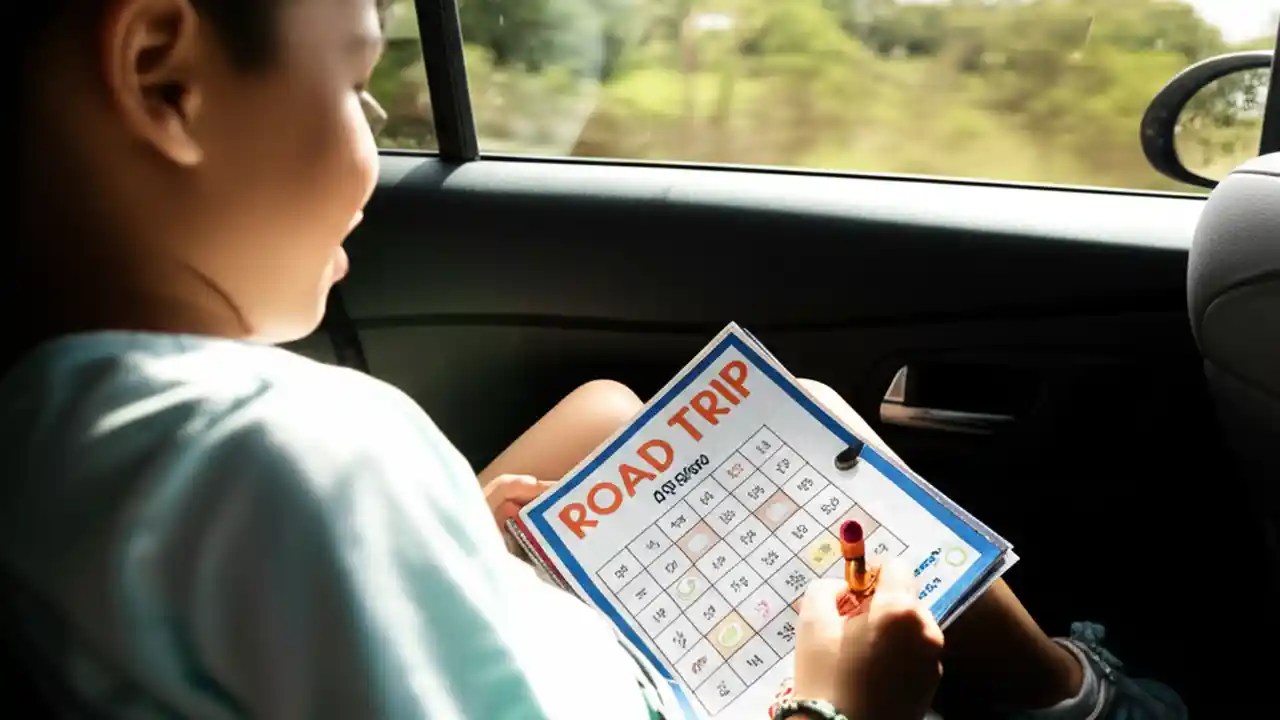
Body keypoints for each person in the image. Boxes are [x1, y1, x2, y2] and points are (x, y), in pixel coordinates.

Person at [3, 0, 1184, 718]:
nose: (376, 129)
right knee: (827, 467)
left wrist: (465, 548)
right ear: (164, 78)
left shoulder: (51, 421)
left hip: (527, 656)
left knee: (632, 413)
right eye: (357, 83)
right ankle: (1077, 700)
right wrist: (835, 707)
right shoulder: (295, 451)